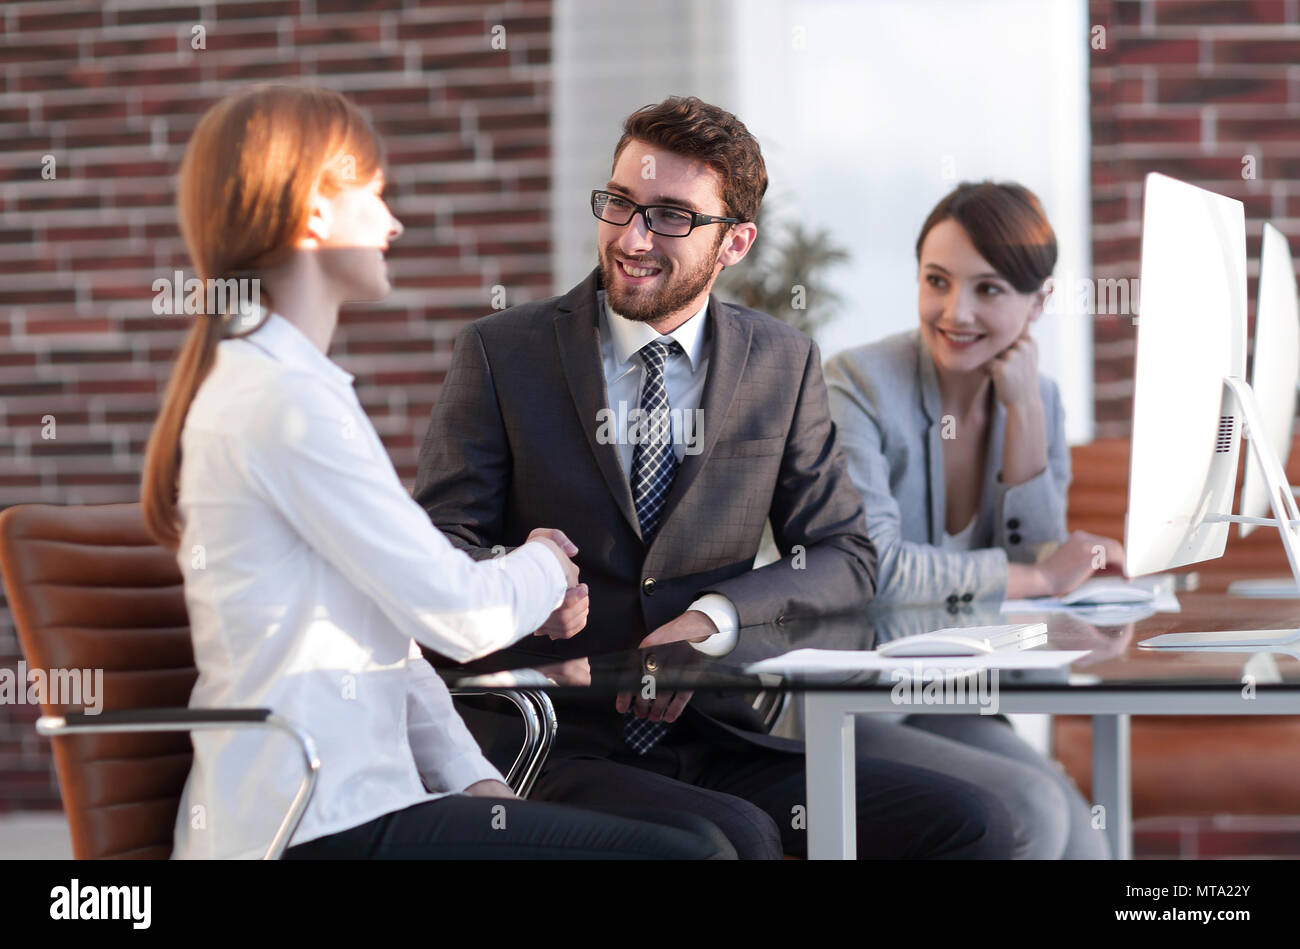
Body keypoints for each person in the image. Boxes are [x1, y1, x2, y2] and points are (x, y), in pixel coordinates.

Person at [140, 84, 734, 860]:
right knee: (689, 855)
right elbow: (456, 613)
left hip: (366, 806)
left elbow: (389, 638)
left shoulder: (296, 389)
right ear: (315, 212)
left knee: (696, 839)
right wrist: (547, 568)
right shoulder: (283, 402)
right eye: (375, 196)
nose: (392, 223)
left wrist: (472, 774)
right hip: (312, 824)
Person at [415, 95, 1015, 859]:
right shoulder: (502, 354)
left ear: (735, 243)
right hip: (555, 740)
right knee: (736, 836)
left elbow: (845, 555)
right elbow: (434, 554)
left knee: (973, 821)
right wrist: (521, 582)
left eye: (670, 215)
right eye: (621, 204)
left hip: (719, 733)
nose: (633, 237)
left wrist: (716, 619)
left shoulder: (782, 362)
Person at [824, 180, 1118, 858]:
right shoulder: (859, 383)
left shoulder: (1038, 395)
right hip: (848, 701)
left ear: (1039, 302)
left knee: (1087, 841)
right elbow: (878, 569)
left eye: (988, 289)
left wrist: (1023, 418)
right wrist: (1041, 578)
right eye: (937, 281)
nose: (955, 311)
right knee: (1032, 809)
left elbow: (1040, 549)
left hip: (953, 702)